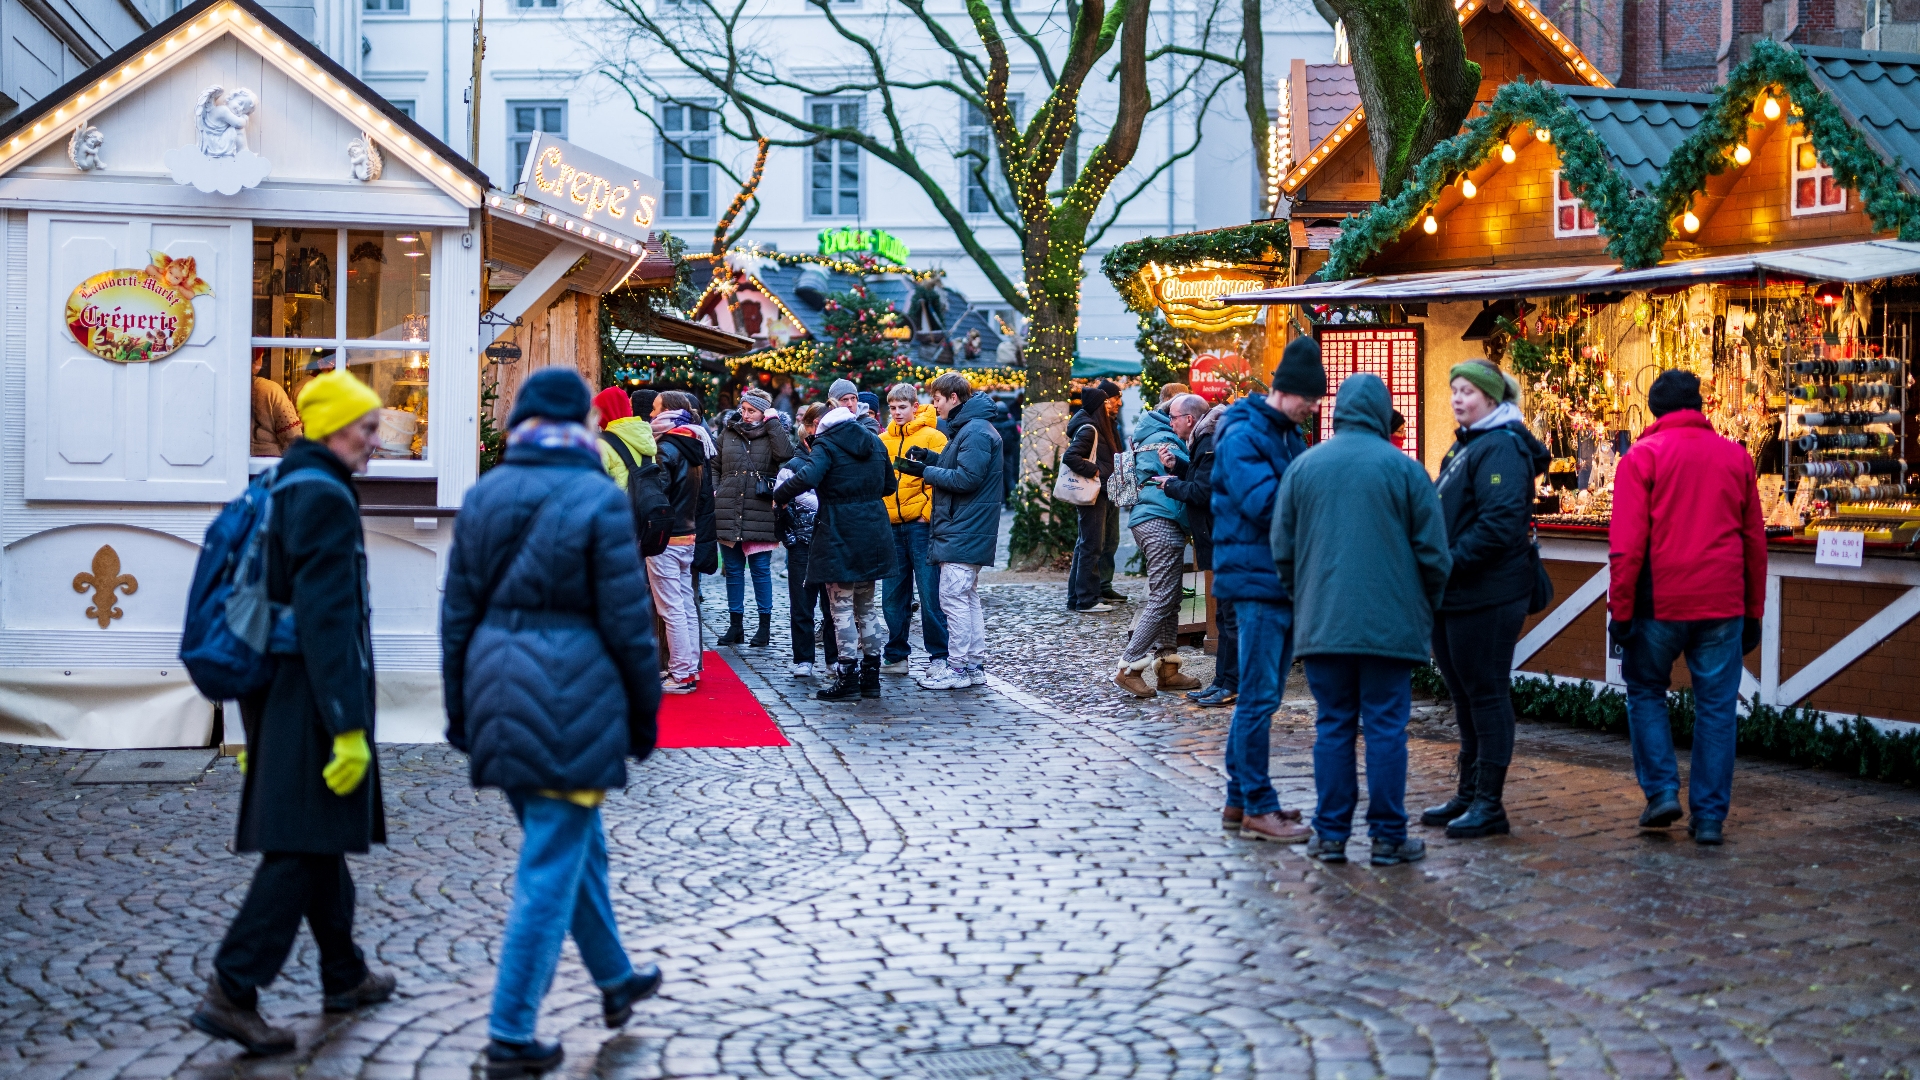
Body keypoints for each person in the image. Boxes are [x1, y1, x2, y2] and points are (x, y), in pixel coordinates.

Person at [439, 367, 664, 1077]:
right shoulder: (598, 498)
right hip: (574, 698)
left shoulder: (484, 494)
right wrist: (643, 716)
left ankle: (616, 978)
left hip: (498, 691)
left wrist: (458, 711)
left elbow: (454, 618)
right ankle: (510, 1031)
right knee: (551, 862)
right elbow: (630, 625)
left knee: (575, 846)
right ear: (584, 429)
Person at [191, 370, 396, 1056]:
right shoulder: (324, 498)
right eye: (368, 428)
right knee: (299, 845)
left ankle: (344, 972)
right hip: (309, 689)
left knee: (316, 833)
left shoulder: (288, 481)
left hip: (277, 683)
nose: (377, 441)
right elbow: (328, 620)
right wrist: (346, 727)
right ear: (336, 427)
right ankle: (233, 988)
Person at [1274, 372, 1452, 869]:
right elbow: (1435, 557)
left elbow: (1282, 552)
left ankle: (1330, 835)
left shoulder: (1304, 469)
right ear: (1382, 413)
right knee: (1386, 730)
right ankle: (1388, 838)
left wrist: (1304, 600)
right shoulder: (1405, 471)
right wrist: (1423, 606)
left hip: (1323, 626)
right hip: (1389, 628)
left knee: (1332, 726)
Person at [1608, 369, 1766, 846]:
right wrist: (1753, 611)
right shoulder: (1736, 457)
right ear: (1699, 406)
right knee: (1717, 709)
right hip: (1722, 603)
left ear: (1655, 411)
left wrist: (1621, 609)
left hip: (1659, 602)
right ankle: (1711, 817)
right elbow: (1755, 543)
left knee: (1646, 691)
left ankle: (1660, 791)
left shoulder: (1641, 457)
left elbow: (1627, 545)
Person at [1421, 360, 1547, 840]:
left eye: (1468, 391)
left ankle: (1489, 803)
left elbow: (1499, 525)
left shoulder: (1501, 448)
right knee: (1464, 695)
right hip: (1455, 593)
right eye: (1453, 389)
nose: (1457, 398)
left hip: (1488, 594)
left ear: (1492, 400)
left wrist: (1445, 562)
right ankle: (1469, 792)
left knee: (1486, 694)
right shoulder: (1466, 445)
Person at [1210, 340, 1323, 843]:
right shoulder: (1244, 434)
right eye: (1312, 398)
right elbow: (1268, 504)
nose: (1316, 407)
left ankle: (1241, 801)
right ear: (1287, 391)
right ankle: (1257, 804)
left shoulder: (1284, 434)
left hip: (1274, 579)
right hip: (1257, 581)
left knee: (1263, 695)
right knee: (1257, 698)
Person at [773, 398, 898, 701]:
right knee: (866, 606)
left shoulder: (826, 444)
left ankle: (848, 677)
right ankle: (871, 677)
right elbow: (888, 486)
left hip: (839, 529)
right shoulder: (874, 441)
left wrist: (780, 494)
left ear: (823, 425)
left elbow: (808, 477)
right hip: (873, 529)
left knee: (841, 607)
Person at [899, 372, 1003, 689]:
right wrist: (929, 458)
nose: (935, 406)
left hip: (964, 527)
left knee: (953, 599)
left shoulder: (974, 432)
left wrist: (925, 471)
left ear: (953, 398)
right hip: (966, 527)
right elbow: (961, 467)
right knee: (966, 598)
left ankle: (956, 668)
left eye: (938, 399)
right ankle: (973, 666)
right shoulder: (972, 429)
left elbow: (967, 479)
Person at [1112, 393, 1210, 697]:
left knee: (1171, 596)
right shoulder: (1167, 437)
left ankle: (1168, 668)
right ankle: (1128, 667)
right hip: (1160, 520)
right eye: (1174, 418)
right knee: (1163, 597)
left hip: (1153, 520)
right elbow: (1184, 483)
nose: (1175, 423)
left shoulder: (1152, 433)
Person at [1160, 400, 1233, 707]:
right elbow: (1201, 477)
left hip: (1221, 538)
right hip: (1218, 536)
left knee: (1228, 616)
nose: (1171, 423)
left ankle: (1229, 683)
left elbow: (1203, 491)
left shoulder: (1209, 440)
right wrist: (1178, 467)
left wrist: (1171, 485)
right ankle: (1223, 681)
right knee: (1225, 614)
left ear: (1190, 419)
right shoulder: (1204, 439)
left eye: (1173, 418)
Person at [713, 388, 794, 649]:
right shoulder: (728, 432)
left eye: (752, 411)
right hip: (728, 508)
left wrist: (772, 422)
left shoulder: (773, 431)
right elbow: (714, 464)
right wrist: (717, 489)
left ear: (764, 411)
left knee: (760, 570)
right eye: (743, 410)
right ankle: (735, 625)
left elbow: (786, 455)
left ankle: (764, 626)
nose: (746, 415)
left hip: (759, 509)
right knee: (734, 571)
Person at [879, 382, 950, 675]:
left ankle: (939, 656)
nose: (897, 413)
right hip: (891, 526)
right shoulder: (882, 440)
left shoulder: (933, 437)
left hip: (919, 526)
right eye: (893, 408)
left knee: (929, 592)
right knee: (893, 596)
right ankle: (896, 654)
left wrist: (925, 514)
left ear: (915, 407)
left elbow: (939, 479)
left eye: (902, 407)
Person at [650, 396, 710, 693]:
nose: (651, 413)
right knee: (685, 604)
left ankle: (681, 673)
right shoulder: (694, 444)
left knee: (671, 607)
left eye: (655, 408)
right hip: (687, 533)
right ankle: (690, 668)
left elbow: (657, 494)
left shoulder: (666, 448)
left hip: (666, 538)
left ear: (667, 413)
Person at [779, 403, 838, 677]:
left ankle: (833, 657)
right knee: (802, 604)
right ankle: (803, 658)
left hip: (830, 540)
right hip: (801, 540)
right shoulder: (794, 465)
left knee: (832, 607)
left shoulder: (837, 459)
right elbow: (788, 493)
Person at [1063, 386, 1119, 613]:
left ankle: (1077, 597)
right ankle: (1086, 599)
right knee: (1091, 545)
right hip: (1094, 492)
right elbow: (1071, 456)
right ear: (1098, 406)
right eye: (1106, 404)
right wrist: (1095, 470)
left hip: (1098, 492)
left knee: (1086, 544)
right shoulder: (1090, 429)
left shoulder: (1095, 426)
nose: (1110, 407)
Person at [594, 386, 657, 490]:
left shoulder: (602, 443)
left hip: (618, 504)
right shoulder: (645, 435)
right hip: (645, 504)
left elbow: (596, 487)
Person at [250, 348, 302, 456]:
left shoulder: (224, 389)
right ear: (256, 362)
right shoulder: (270, 390)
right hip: (269, 465)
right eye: (262, 357)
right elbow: (293, 437)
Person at [989, 393, 1021, 501]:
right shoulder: (1011, 423)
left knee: (998, 477)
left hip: (996, 453)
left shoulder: (992, 424)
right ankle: (1013, 500)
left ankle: (1001, 501)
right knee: (1010, 476)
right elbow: (1017, 437)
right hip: (1009, 453)